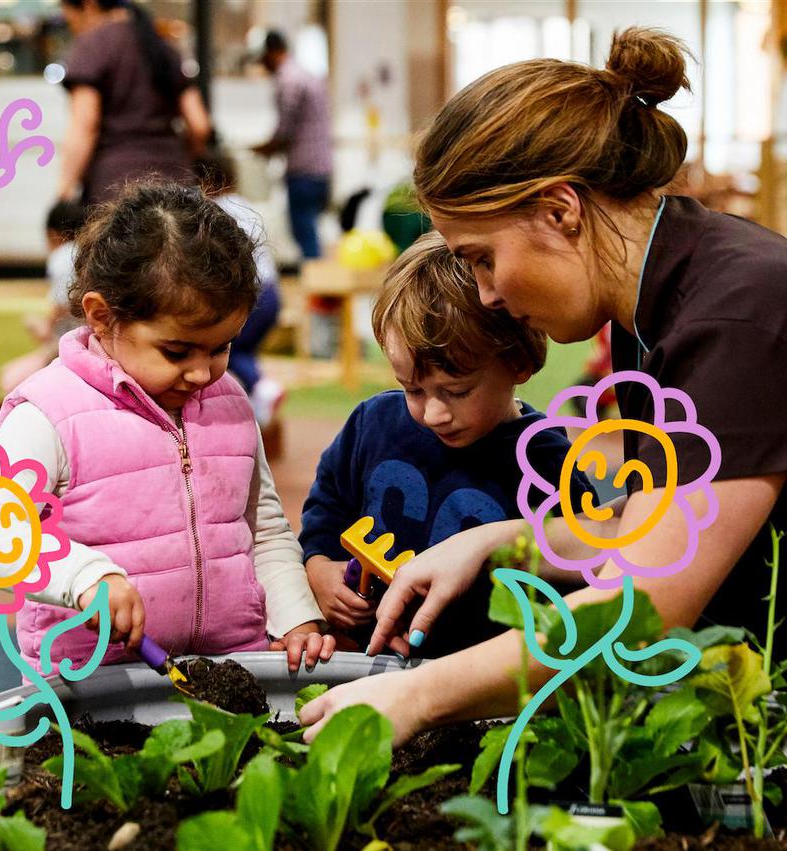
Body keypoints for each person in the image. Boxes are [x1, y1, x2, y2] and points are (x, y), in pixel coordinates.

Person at [300, 28, 787, 747]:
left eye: (482, 258)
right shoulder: (654, 304)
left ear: (561, 211)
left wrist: (418, 693)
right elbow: (657, 525)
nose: (487, 295)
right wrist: (500, 542)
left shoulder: (731, 316)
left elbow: (642, 608)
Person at [0, 182, 333, 676]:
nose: (201, 373)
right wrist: (83, 578)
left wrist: (295, 615)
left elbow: (261, 530)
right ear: (102, 316)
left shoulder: (229, 401)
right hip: (92, 683)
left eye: (220, 348)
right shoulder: (48, 411)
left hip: (231, 669)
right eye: (177, 351)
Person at [299, 233, 596, 658]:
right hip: (366, 661)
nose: (434, 413)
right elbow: (327, 509)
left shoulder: (546, 463)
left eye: (456, 391)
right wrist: (319, 569)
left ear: (519, 362)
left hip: (477, 675)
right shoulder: (373, 423)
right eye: (413, 389)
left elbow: (574, 580)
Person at [55, 0, 211, 205]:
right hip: (175, 186)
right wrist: (184, 158)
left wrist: (64, 191)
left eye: (70, 19)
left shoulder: (93, 46)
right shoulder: (162, 47)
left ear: (89, 5)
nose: (73, 28)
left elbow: (85, 126)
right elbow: (199, 125)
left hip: (114, 187)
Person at [254, 29, 336, 357]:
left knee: (309, 253)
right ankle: (323, 336)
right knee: (313, 244)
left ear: (272, 52)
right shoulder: (308, 75)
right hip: (322, 169)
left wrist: (262, 149)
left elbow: (285, 130)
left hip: (303, 171)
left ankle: (319, 340)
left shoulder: (288, 80)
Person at [195, 151, 284, 426]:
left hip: (249, 294)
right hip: (271, 292)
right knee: (241, 350)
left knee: (221, 347)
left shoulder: (212, 211)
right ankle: (258, 407)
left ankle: (263, 389)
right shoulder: (245, 205)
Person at [0, 200, 87, 394]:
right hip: (80, 342)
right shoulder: (89, 252)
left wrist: (44, 326)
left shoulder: (63, 256)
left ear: (53, 234)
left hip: (72, 346)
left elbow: (64, 303)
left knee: (10, 380)